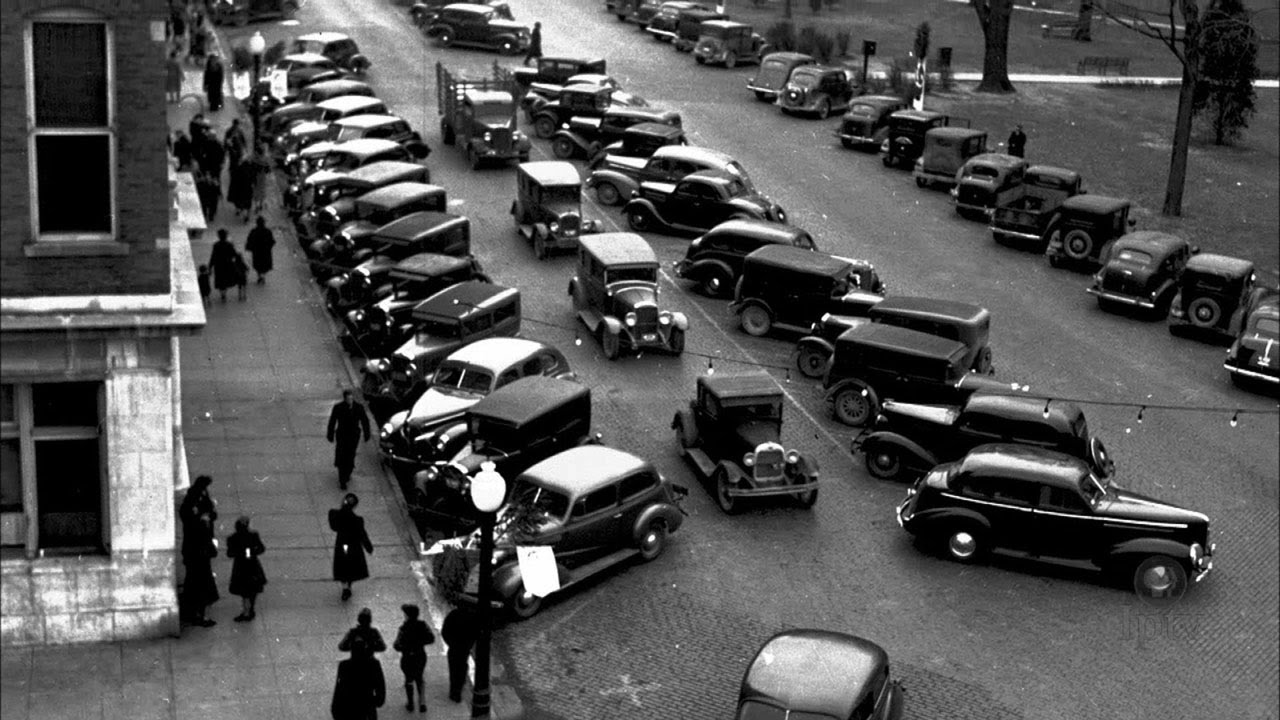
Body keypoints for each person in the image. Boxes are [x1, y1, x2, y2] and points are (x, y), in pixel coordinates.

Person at [179, 475, 219, 627]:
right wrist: (202, 518)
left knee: (195, 581)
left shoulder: (199, 499)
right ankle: (200, 614)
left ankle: (197, 612)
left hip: (199, 549)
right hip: (198, 550)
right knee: (201, 582)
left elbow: (212, 514)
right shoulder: (192, 504)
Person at [329, 493, 373, 601]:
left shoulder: (335, 514)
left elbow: (334, 527)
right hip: (354, 546)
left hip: (342, 545)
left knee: (342, 565)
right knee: (351, 567)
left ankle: (345, 587)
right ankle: (347, 586)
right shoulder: (357, 520)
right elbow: (363, 535)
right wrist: (368, 547)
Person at [331, 634, 386, 720]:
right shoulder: (373, 664)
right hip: (368, 705)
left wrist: (335, 707)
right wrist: (378, 701)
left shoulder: (344, 665)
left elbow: (339, 688)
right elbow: (380, 684)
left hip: (350, 705)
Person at [394, 604, 435, 713]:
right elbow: (431, 638)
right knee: (420, 678)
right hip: (420, 655)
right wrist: (420, 643)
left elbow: (396, 645)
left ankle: (410, 703)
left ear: (407, 616)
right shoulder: (423, 625)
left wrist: (405, 648)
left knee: (409, 679)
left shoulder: (403, 628)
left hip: (407, 657)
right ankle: (422, 703)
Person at [327, 390, 371, 490]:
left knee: (350, 455)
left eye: (351, 399)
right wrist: (330, 434)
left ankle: (348, 472)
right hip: (342, 435)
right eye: (348, 399)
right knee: (341, 455)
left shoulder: (358, 407)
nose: (350, 401)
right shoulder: (338, 407)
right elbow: (332, 421)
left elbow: (364, 421)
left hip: (353, 436)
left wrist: (366, 434)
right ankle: (342, 478)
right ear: (345, 399)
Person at [227, 516, 266, 622]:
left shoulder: (232, 538)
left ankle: (246, 612)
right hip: (252, 565)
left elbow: (230, 553)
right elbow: (261, 548)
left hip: (240, 567)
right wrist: (252, 552)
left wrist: (239, 553)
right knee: (251, 590)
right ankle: (249, 610)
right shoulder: (253, 535)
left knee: (245, 592)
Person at [441, 606, 478, 703]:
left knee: (454, 669)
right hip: (464, 647)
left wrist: (451, 643)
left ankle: (454, 691)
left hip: (454, 647)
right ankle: (459, 685)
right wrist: (469, 645)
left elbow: (445, 631)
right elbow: (475, 633)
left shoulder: (453, 615)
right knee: (462, 666)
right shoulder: (472, 617)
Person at [209, 228, 239, 302]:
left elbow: (213, 256)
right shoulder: (229, 244)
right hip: (227, 264)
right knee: (225, 279)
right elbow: (234, 254)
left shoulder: (216, 245)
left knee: (220, 279)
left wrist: (210, 266)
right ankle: (224, 293)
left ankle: (222, 293)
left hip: (218, 265)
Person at [245, 216, 276, 283]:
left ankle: (259, 275)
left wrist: (250, 247)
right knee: (265, 265)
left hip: (256, 251)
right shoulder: (268, 231)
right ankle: (262, 276)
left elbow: (249, 240)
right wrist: (269, 247)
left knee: (258, 264)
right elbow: (272, 241)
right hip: (265, 251)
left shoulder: (254, 231)